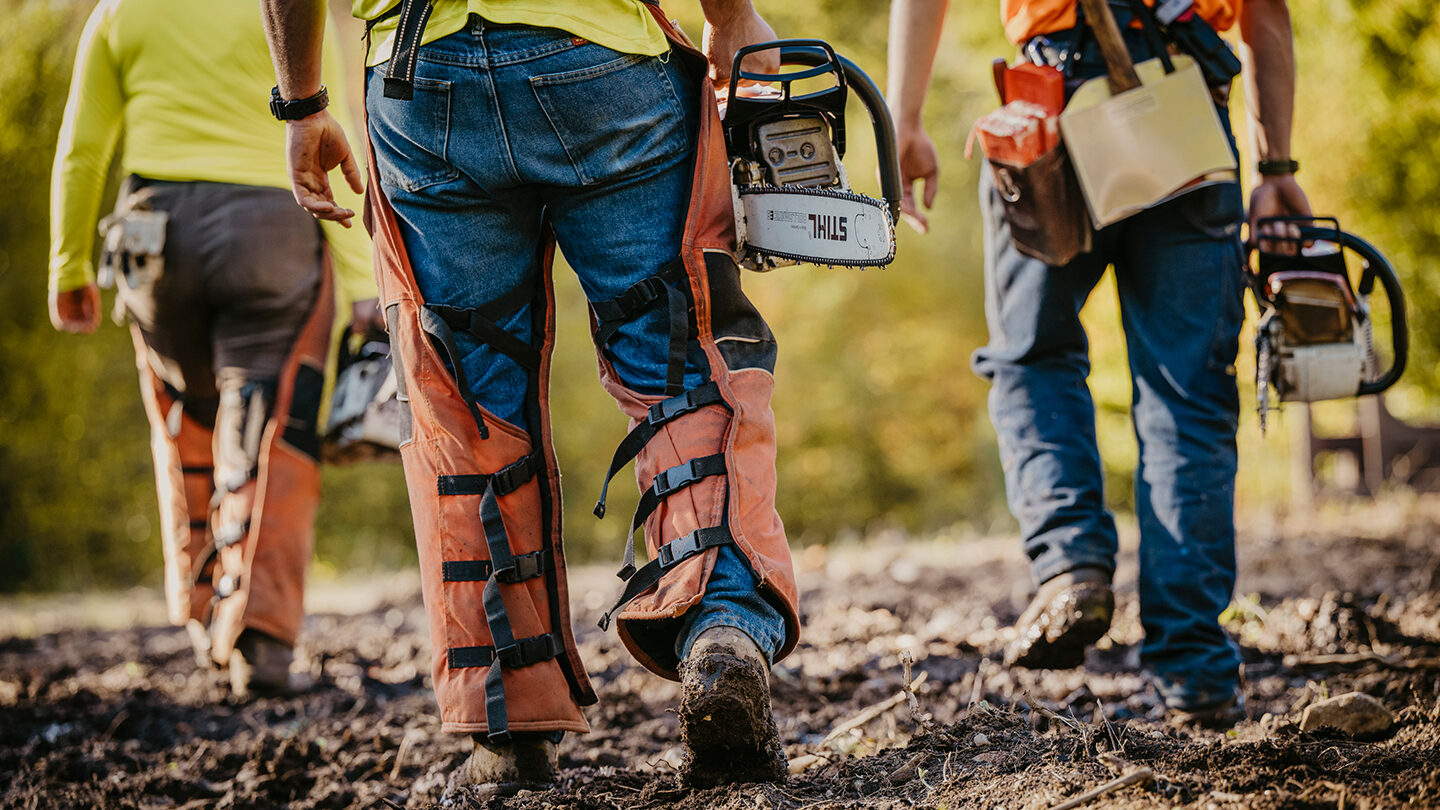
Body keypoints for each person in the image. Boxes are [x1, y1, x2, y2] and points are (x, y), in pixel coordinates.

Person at [261, 0, 800, 790]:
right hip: (607, 58)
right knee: (680, 358)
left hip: (422, 79)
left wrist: (302, 102)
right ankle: (722, 624)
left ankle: (503, 725)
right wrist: (730, 14)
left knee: (465, 405)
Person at [888, 0, 1312, 725]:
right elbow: (1265, 16)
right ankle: (1197, 672)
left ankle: (1071, 564)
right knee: (1188, 398)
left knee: (1032, 355)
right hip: (1186, 108)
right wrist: (1275, 168)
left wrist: (904, 119)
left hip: (1049, 110)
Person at [48, 0, 380, 696]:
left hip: (155, 244)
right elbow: (335, 136)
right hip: (273, 236)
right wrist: (360, 282)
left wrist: (69, 266)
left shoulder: (117, 13)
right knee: (271, 435)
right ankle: (258, 639)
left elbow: (82, 148)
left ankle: (202, 610)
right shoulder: (296, 15)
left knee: (185, 421)